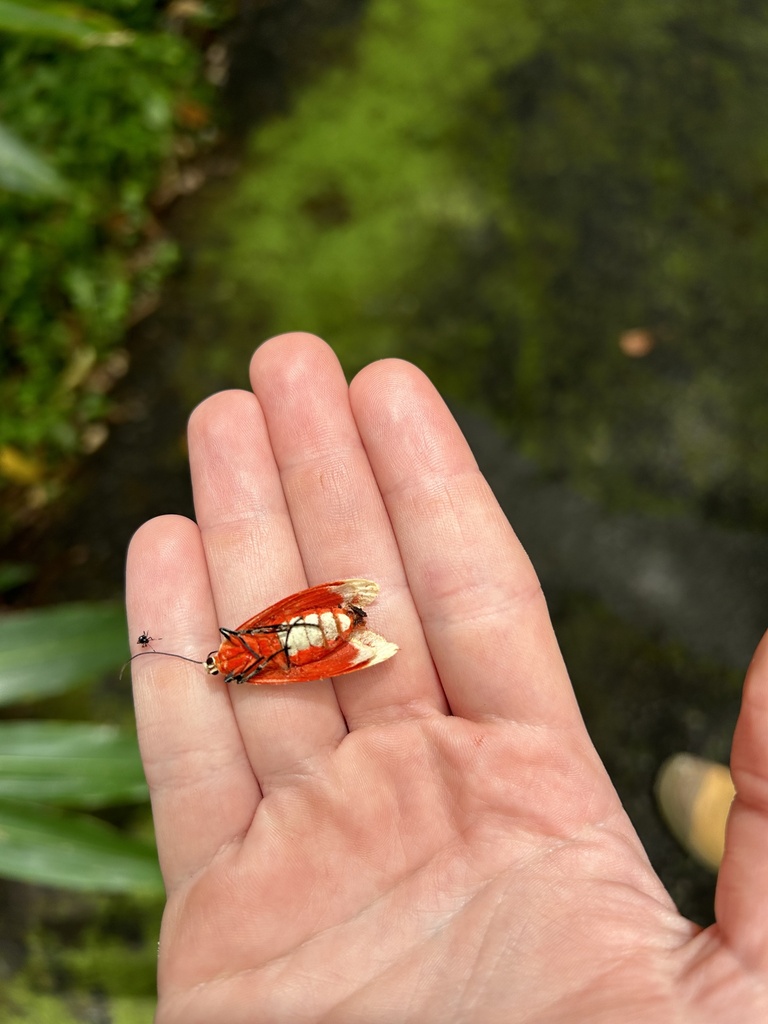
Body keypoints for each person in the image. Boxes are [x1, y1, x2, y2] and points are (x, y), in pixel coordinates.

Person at [126, 332, 768, 1023]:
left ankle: (722, 820)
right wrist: (266, 661)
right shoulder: (247, 669)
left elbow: (269, 644)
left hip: (296, 632)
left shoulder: (246, 649)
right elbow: (265, 661)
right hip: (299, 648)